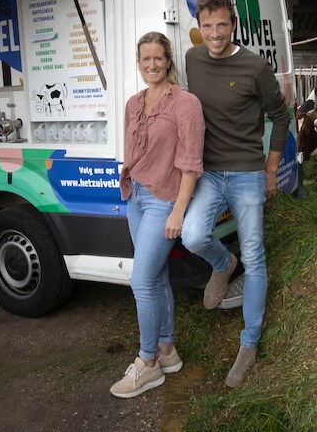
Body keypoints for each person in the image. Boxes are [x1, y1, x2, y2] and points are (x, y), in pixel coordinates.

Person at [181, 0, 291, 388]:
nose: (214, 33)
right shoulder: (192, 59)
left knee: (256, 256)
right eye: (207, 26)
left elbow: (281, 115)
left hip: (246, 172)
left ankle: (249, 343)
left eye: (222, 25)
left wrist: (271, 167)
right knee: (192, 235)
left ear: (233, 26)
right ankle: (223, 265)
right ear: (200, 26)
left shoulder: (254, 66)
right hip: (208, 172)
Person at [110, 32, 204, 399]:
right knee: (158, 276)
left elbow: (191, 163)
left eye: (158, 58)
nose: (152, 65)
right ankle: (167, 350)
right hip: (136, 196)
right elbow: (133, 152)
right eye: (145, 59)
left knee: (141, 283)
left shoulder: (186, 103)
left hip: (164, 199)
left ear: (168, 61)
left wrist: (179, 209)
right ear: (138, 62)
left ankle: (147, 363)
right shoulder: (133, 103)